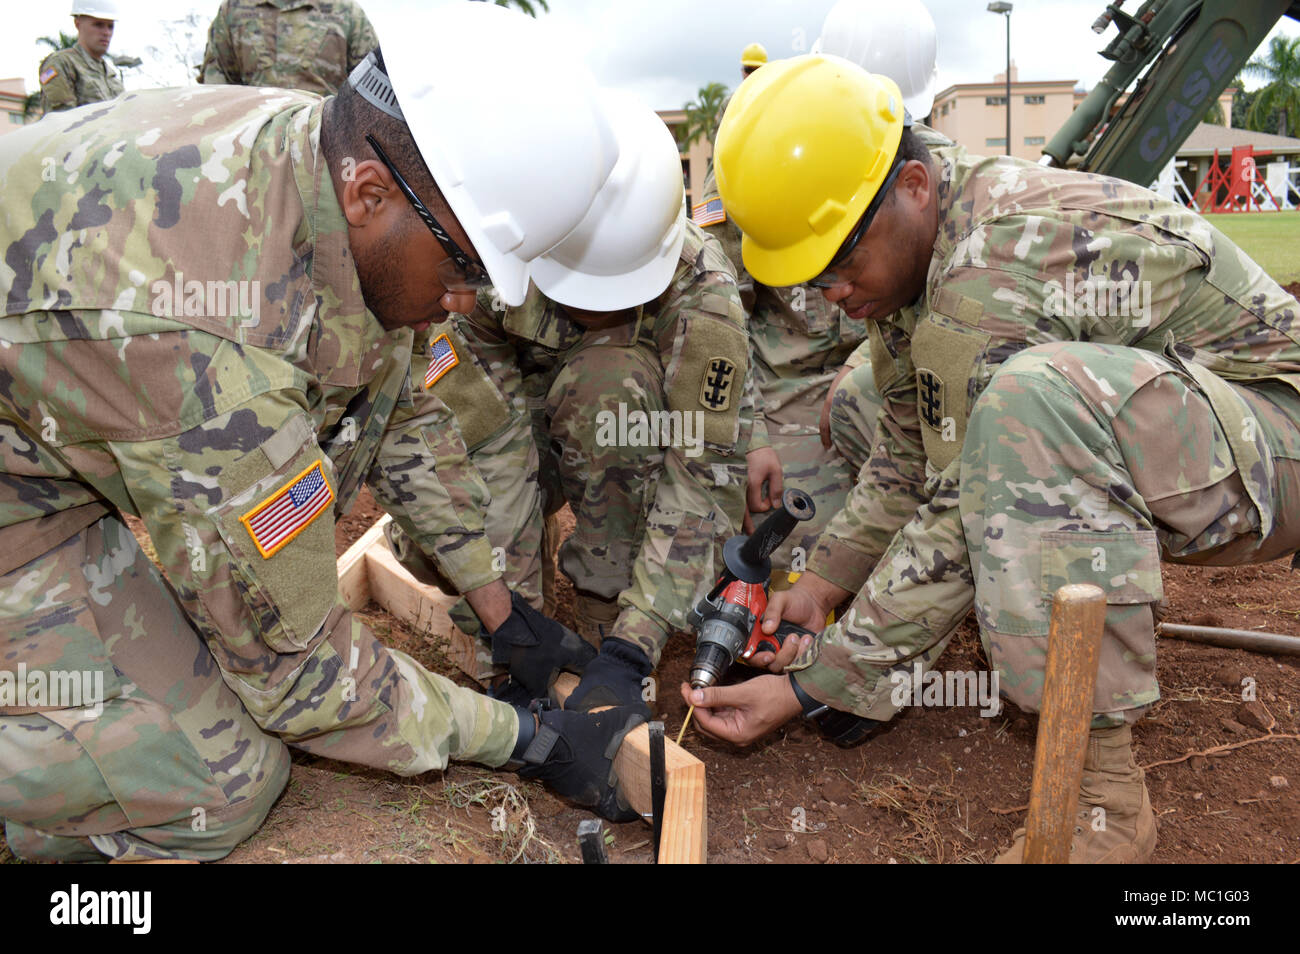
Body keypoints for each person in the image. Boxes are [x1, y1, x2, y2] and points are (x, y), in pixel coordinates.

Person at [0, 3, 642, 862]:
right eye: (465, 268)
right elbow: (299, 675)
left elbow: (403, 405)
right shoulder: (207, 353)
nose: (467, 303)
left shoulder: (326, 160)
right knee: (219, 781)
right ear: (370, 194)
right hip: (29, 471)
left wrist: (497, 606)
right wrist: (523, 737)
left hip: (41, 419)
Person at [685, 54, 1300, 864]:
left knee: (1024, 404)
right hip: (1191, 437)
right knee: (865, 390)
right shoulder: (922, 248)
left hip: (1274, 448)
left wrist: (819, 682)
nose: (829, 293)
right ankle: (993, 612)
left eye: (837, 261)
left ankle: (1098, 802)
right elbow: (912, 445)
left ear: (911, 186)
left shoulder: (992, 263)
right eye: (810, 276)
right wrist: (827, 583)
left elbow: (956, 495)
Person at [393, 90, 766, 715]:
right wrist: (508, 621)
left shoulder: (703, 294)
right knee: (428, 546)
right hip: (529, 424)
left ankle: (604, 609)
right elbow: (483, 444)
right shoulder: (488, 256)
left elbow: (704, 476)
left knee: (605, 384)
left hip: (617, 422)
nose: (596, 307)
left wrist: (634, 642)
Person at [694, 0, 948, 571]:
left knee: (947, 512)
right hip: (781, 392)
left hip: (880, 378)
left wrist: (863, 360)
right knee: (788, 556)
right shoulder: (766, 152)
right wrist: (750, 435)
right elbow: (717, 308)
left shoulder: (921, 164)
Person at [199, 0, 378, 95]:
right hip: (251, 143)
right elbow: (216, 92)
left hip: (325, 144)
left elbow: (371, 93)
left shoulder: (346, 11)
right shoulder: (234, 9)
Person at [37, 1, 124, 114]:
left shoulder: (111, 76)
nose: (106, 33)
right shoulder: (62, 63)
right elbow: (62, 120)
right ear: (78, 24)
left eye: (110, 27)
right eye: (98, 24)